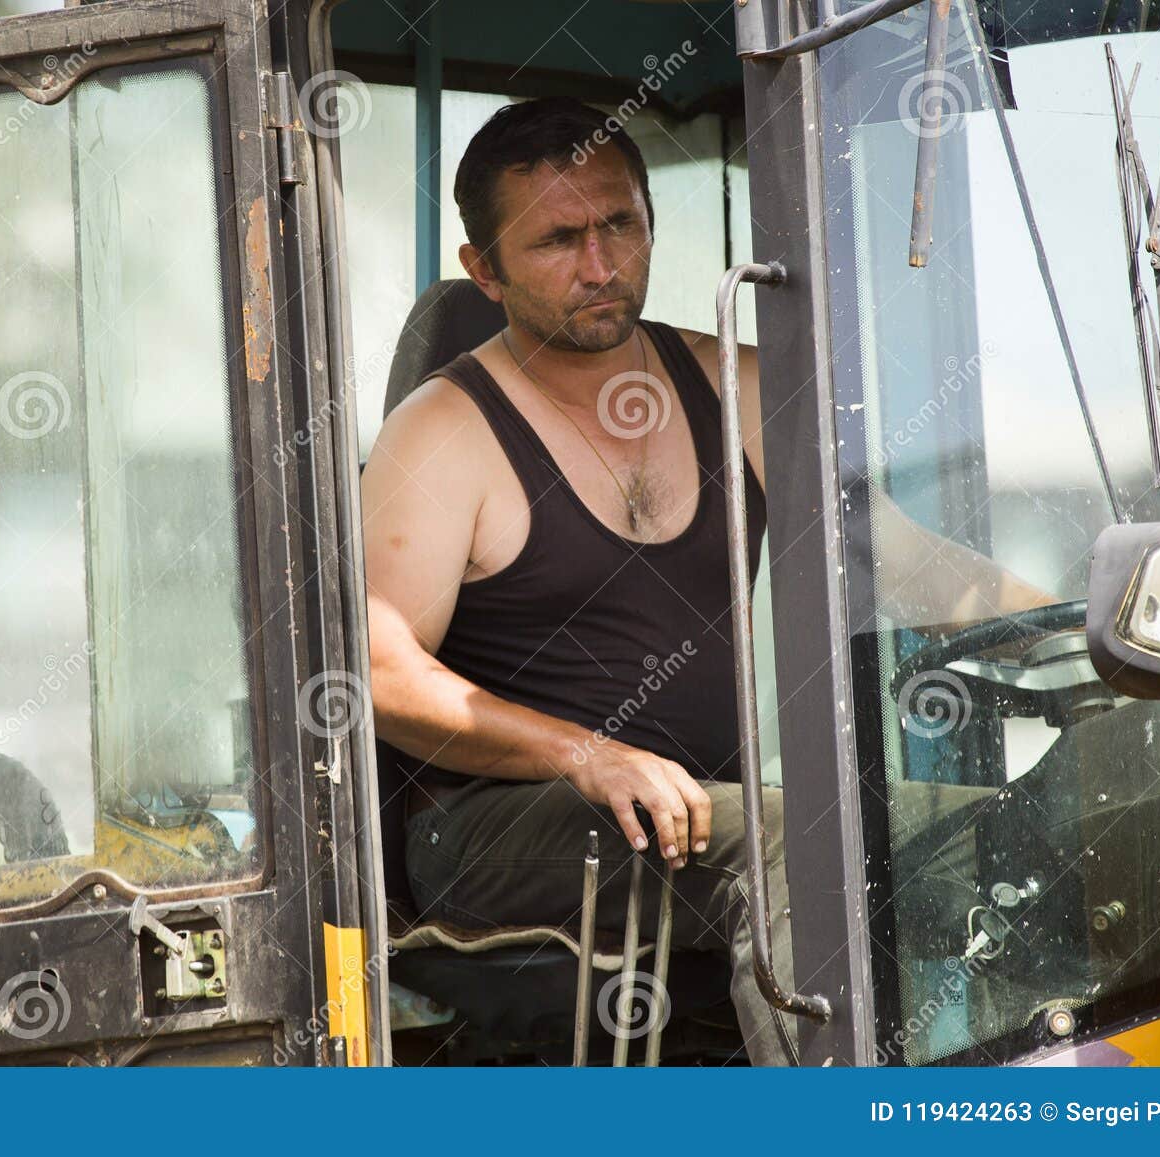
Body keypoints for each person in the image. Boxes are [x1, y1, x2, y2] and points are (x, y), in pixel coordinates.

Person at [360, 97, 1051, 1061]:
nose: (601, 266)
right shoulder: (443, 433)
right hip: (489, 837)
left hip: (691, 815)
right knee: (795, 846)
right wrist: (588, 755)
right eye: (559, 239)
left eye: (621, 225)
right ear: (485, 270)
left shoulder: (740, 385)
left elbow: (913, 567)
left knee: (1038, 830)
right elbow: (381, 674)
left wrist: (1097, 632)